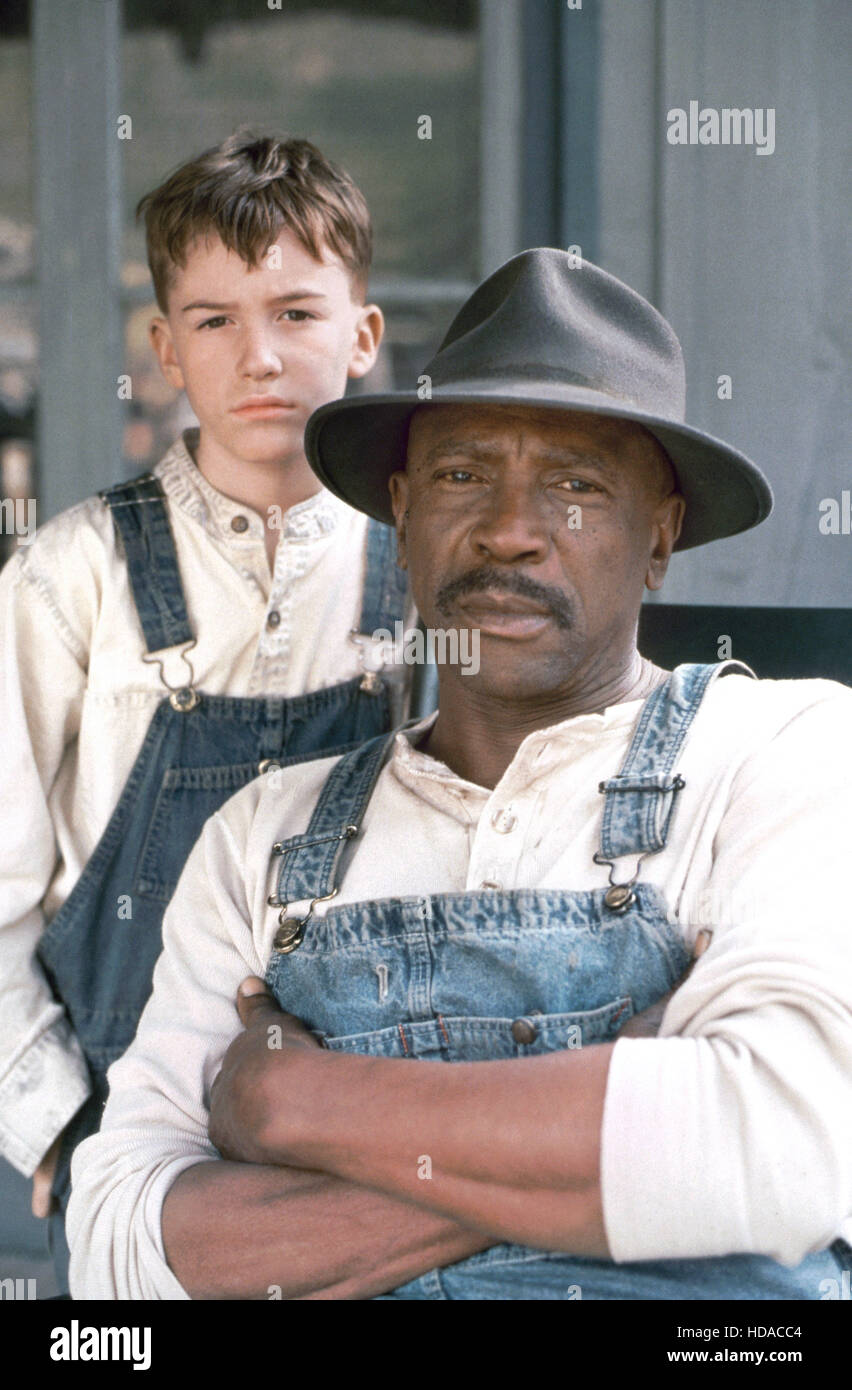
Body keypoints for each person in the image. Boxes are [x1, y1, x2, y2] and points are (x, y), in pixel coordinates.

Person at [67, 249, 852, 1300]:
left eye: (575, 485)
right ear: (401, 513)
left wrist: (299, 1108)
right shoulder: (264, 834)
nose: (510, 532)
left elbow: (783, 1152)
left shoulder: (783, 750)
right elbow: (122, 1252)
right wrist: (605, 1136)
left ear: (660, 535)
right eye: (461, 473)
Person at [0, 131, 409, 1292]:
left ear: (363, 336)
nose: (260, 356)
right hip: (136, 1123)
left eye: (296, 312)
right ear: (165, 346)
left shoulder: (419, 569)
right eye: (216, 320)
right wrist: (59, 1121)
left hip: (367, 1116)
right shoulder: (71, 572)